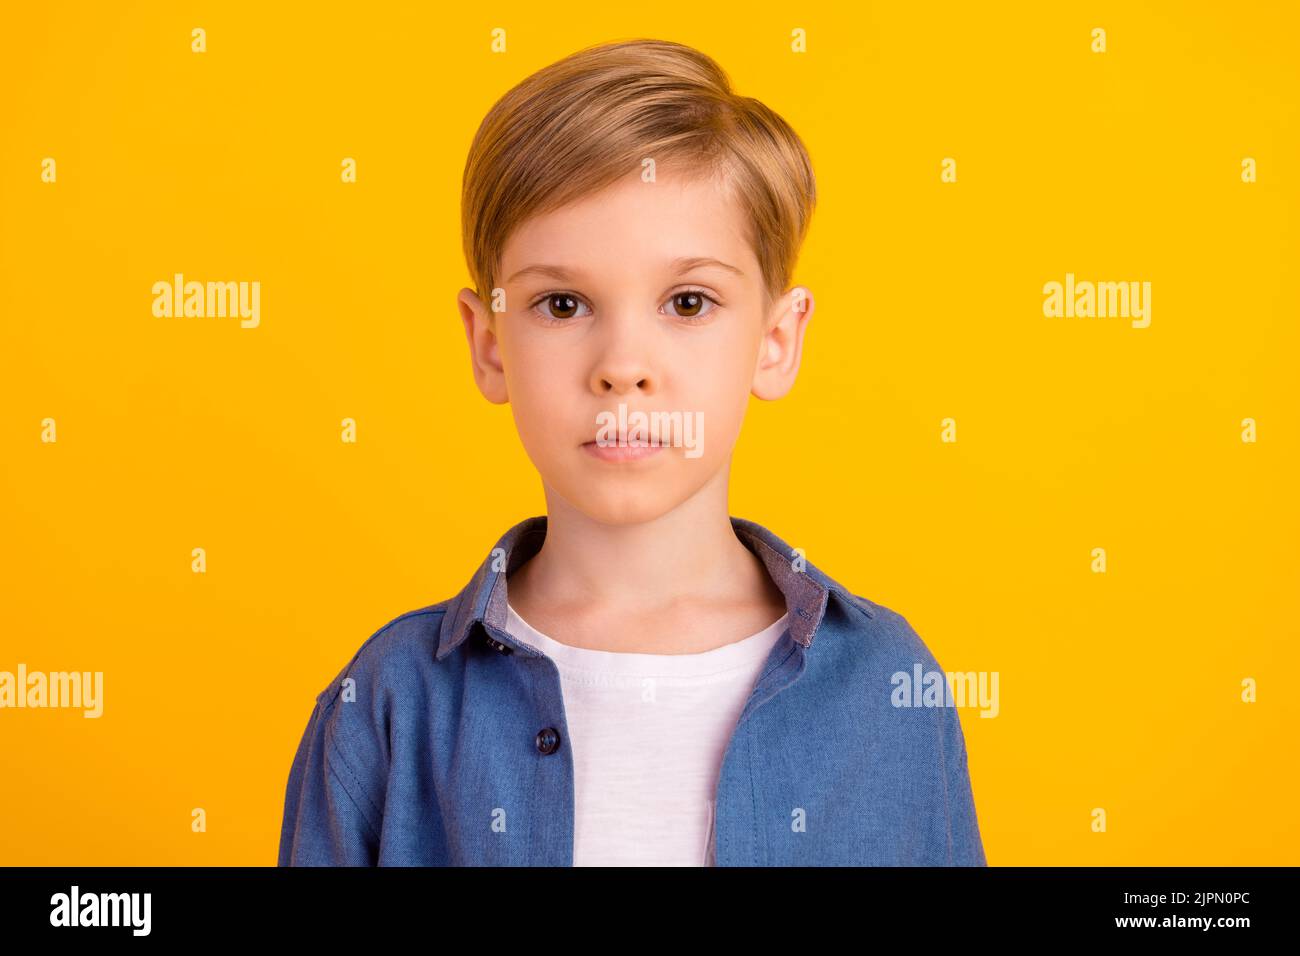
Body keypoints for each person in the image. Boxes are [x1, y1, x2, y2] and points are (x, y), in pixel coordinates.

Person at [278, 37, 986, 866]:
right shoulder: (389, 704)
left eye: (688, 301)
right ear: (490, 345)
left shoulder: (888, 691)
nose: (622, 367)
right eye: (563, 303)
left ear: (776, 339)